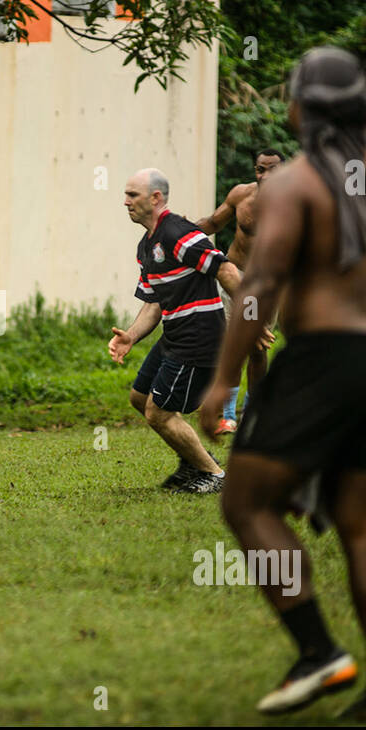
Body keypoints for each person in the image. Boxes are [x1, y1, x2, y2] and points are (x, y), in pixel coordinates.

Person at [199, 47, 366, 723]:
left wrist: (223, 381)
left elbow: (257, 289)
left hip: (328, 357)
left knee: (245, 503)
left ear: (298, 108)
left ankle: (319, 649)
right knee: (365, 524)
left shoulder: (293, 183)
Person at [107, 168, 255, 494]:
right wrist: (130, 336)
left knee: (158, 414)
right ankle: (193, 462)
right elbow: (153, 303)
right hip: (174, 334)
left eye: (133, 195)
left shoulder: (179, 233)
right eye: (126, 194)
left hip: (199, 337)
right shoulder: (146, 247)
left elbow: (225, 268)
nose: (125, 202)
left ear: (156, 198)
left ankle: (214, 475)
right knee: (139, 397)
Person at [197, 149, 286, 434]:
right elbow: (213, 223)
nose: (266, 175)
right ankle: (228, 415)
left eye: (273, 169)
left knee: (257, 349)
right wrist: (181, 229)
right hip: (233, 276)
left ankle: (253, 411)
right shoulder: (240, 195)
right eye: (261, 169)